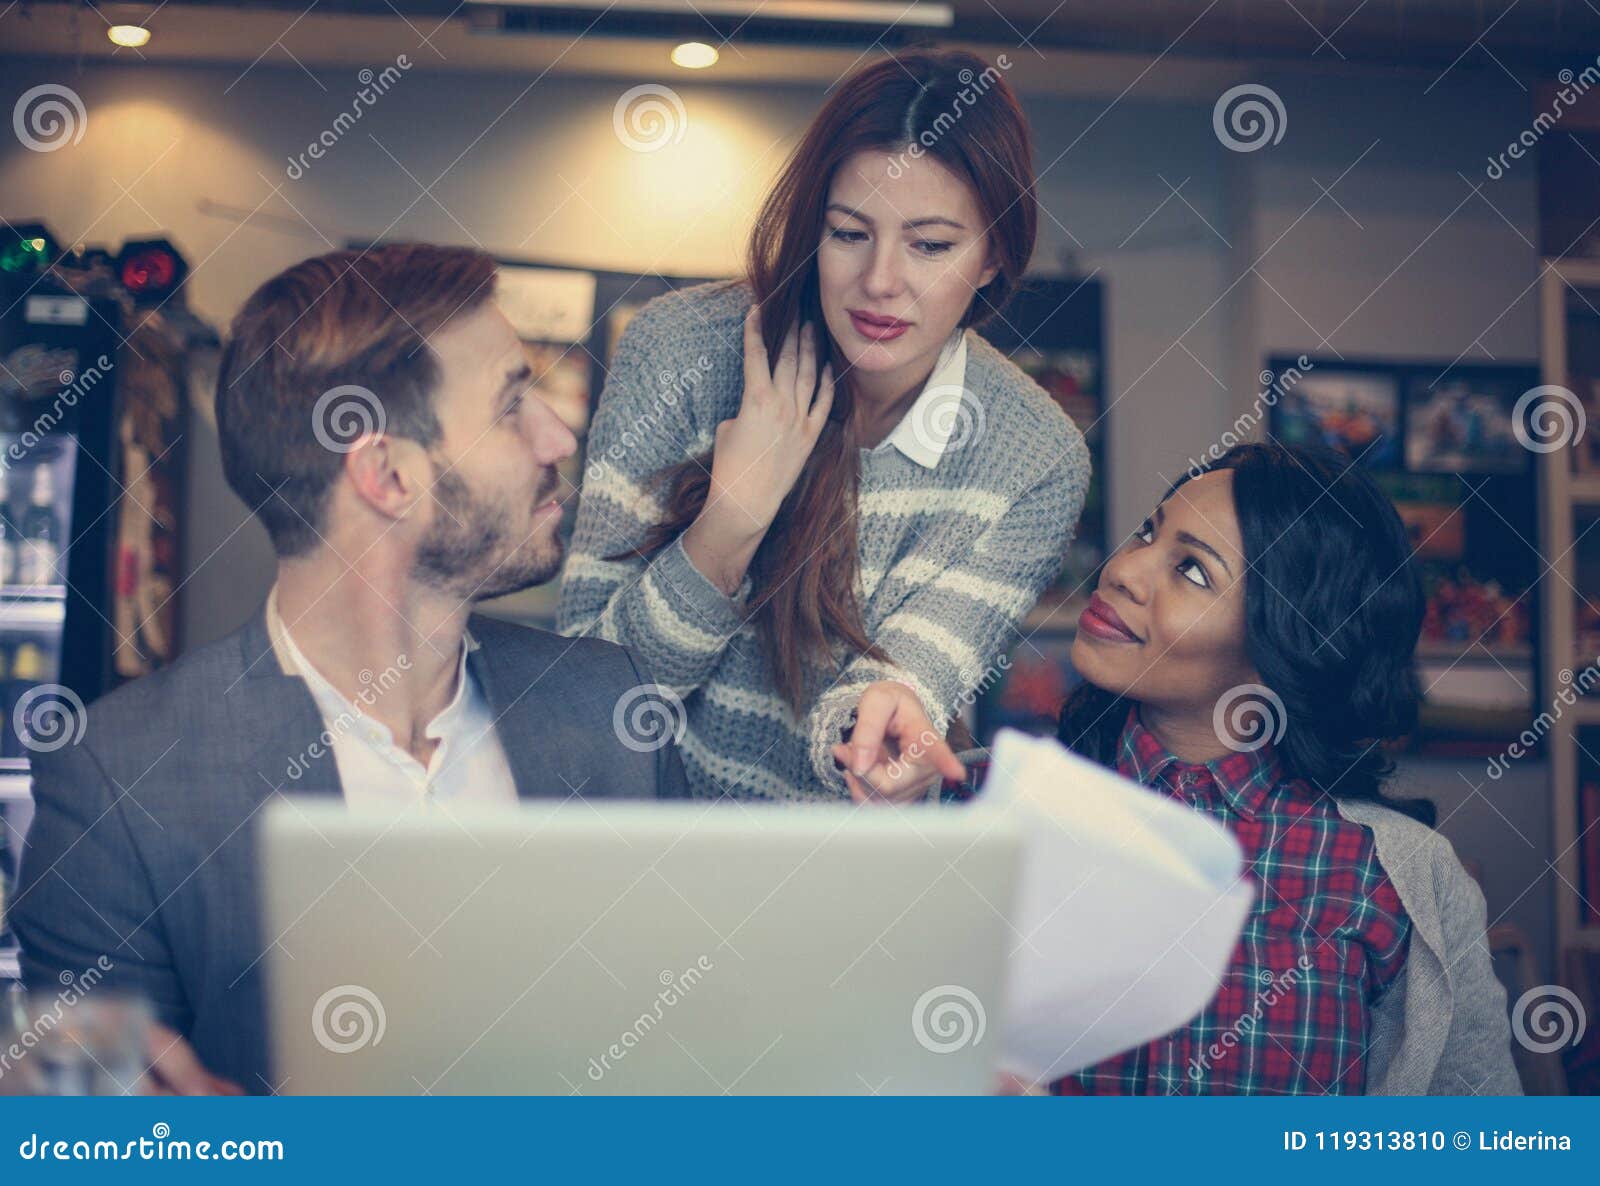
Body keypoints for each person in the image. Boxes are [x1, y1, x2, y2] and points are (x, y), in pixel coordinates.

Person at [11, 244, 689, 1095]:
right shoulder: (120, 781)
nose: (559, 435)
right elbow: (89, 1131)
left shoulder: (612, 713)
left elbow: (698, 1055)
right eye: (512, 403)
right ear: (386, 475)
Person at [854, 442, 1522, 1095]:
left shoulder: (1400, 877)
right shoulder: (965, 800)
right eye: (1148, 532)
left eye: (1193, 570)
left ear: (1285, 642)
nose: (1124, 569)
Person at [558, 48, 1090, 801]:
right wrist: (731, 524)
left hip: (842, 867)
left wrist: (877, 733)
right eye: (848, 233)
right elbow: (582, 696)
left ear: (994, 257)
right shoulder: (676, 351)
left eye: (931, 246)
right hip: (633, 854)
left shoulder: (1037, 459)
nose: (880, 282)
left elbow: (906, 681)